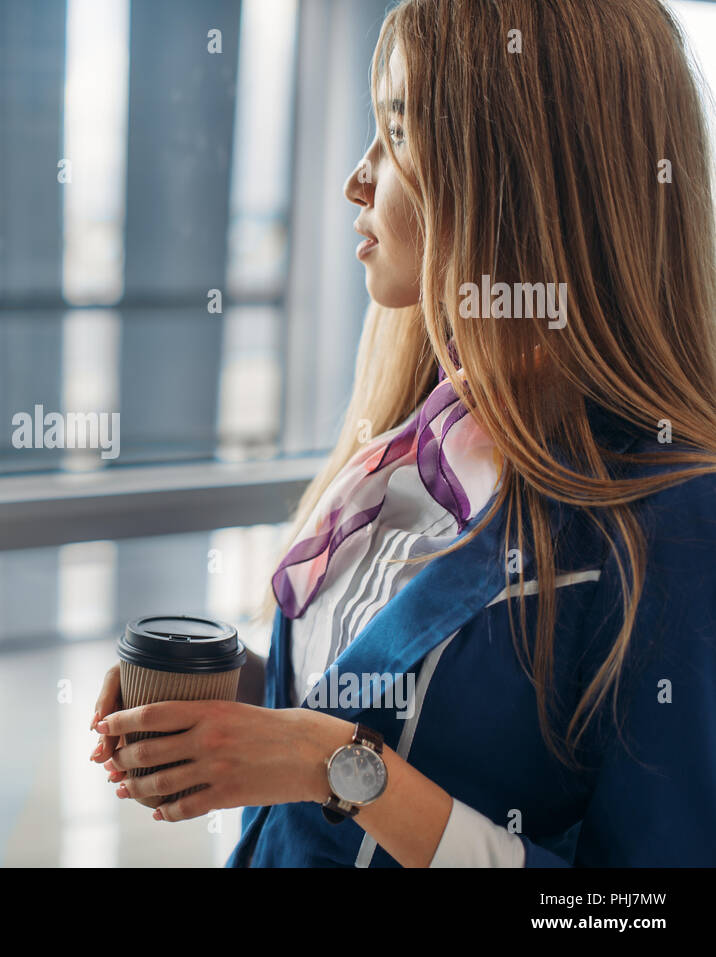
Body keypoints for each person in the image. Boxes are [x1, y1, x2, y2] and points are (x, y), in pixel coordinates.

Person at [89, 0, 716, 867]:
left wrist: (335, 765)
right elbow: (385, 702)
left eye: (396, 133)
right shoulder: (408, 436)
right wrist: (229, 702)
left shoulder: (674, 516)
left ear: (516, 173)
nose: (357, 177)